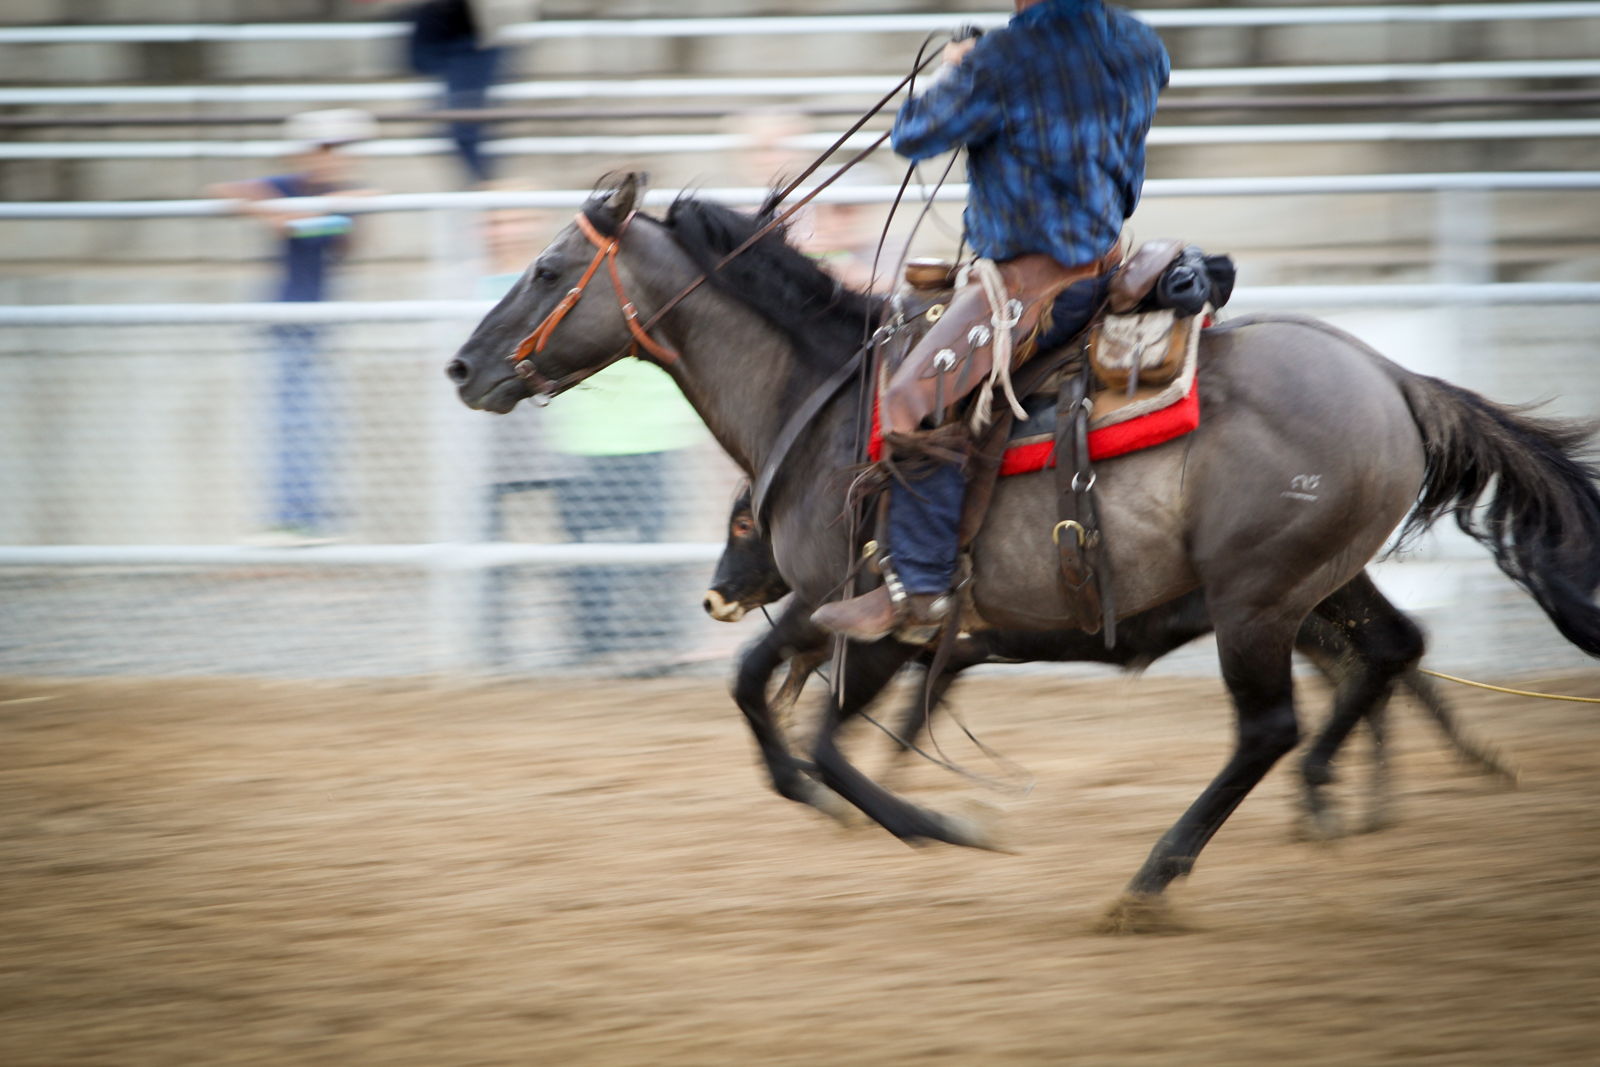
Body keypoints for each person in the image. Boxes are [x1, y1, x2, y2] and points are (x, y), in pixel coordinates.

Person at [811, 0, 1170, 641]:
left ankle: (918, 589)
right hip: (1106, 265)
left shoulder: (1003, 58)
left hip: (1031, 287)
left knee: (907, 401)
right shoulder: (1141, 45)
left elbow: (915, 135)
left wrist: (958, 71)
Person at [209, 108, 379, 543]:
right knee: (289, 419)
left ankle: (309, 515)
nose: (334, 158)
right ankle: (288, 516)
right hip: (286, 317)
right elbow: (226, 193)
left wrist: (338, 211)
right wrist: (296, 214)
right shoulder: (289, 188)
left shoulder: (342, 194)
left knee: (316, 420)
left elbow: (347, 244)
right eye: (325, 149)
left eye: (340, 150)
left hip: (320, 320)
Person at [407, 0, 503, 185]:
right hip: (450, 31)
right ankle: (484, 184)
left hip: (473, 36)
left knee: (463, 126)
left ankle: (484, 184)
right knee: (461, 125)